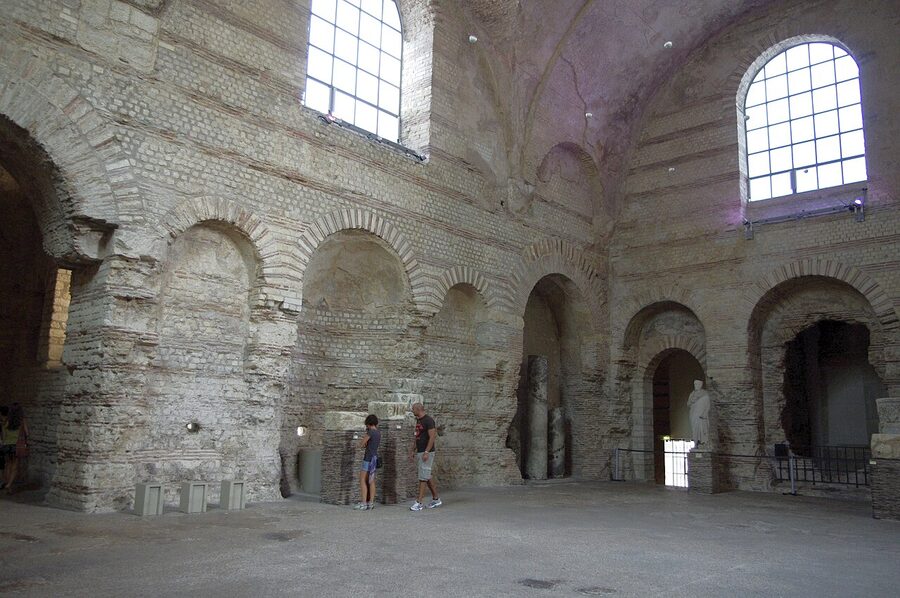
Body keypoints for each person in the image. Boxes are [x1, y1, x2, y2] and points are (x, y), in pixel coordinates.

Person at [409, 402, 441, 511]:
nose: (412, 411)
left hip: (427, 452)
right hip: (420, 451)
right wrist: (413, 450)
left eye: (413, 409)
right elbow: (417, 436)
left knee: (423, 477)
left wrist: (427, 451)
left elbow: (432, 437)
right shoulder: (418, 421)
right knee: (426, 475)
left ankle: (419, 502)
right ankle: (436, 499)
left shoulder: (429, 420)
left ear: (418, 409)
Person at [354, 414, 380, 510]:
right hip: (374, 458)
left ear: (368, 423)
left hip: (368, 458)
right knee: (371, 480)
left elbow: (362, 444)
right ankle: (371, 503)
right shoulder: (378, 433)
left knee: (362, 480)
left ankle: (364, 503)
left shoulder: (371, 432)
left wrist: (360, 443)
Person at [2, 403, 27, 493]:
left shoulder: (6, 421)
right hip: (16, 445)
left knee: (8, 465)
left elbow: (3, 436)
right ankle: (9, 484)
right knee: (15, 467)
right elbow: (27, 433)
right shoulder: (21, 421)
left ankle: (8, 486)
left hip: (6, 445)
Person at [688, 380, 711, 446]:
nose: (696, 386)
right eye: (695, 384)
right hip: (693, 413)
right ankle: (696, 442)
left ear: (701, 385)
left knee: (702, 428)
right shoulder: (692, 394)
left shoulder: (705, 393)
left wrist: (704, 413)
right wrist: (692, 400)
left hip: (701, 414)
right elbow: (688, 404)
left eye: (697, 384)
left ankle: (703, 442)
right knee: (695, 428)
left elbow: (708, 405)